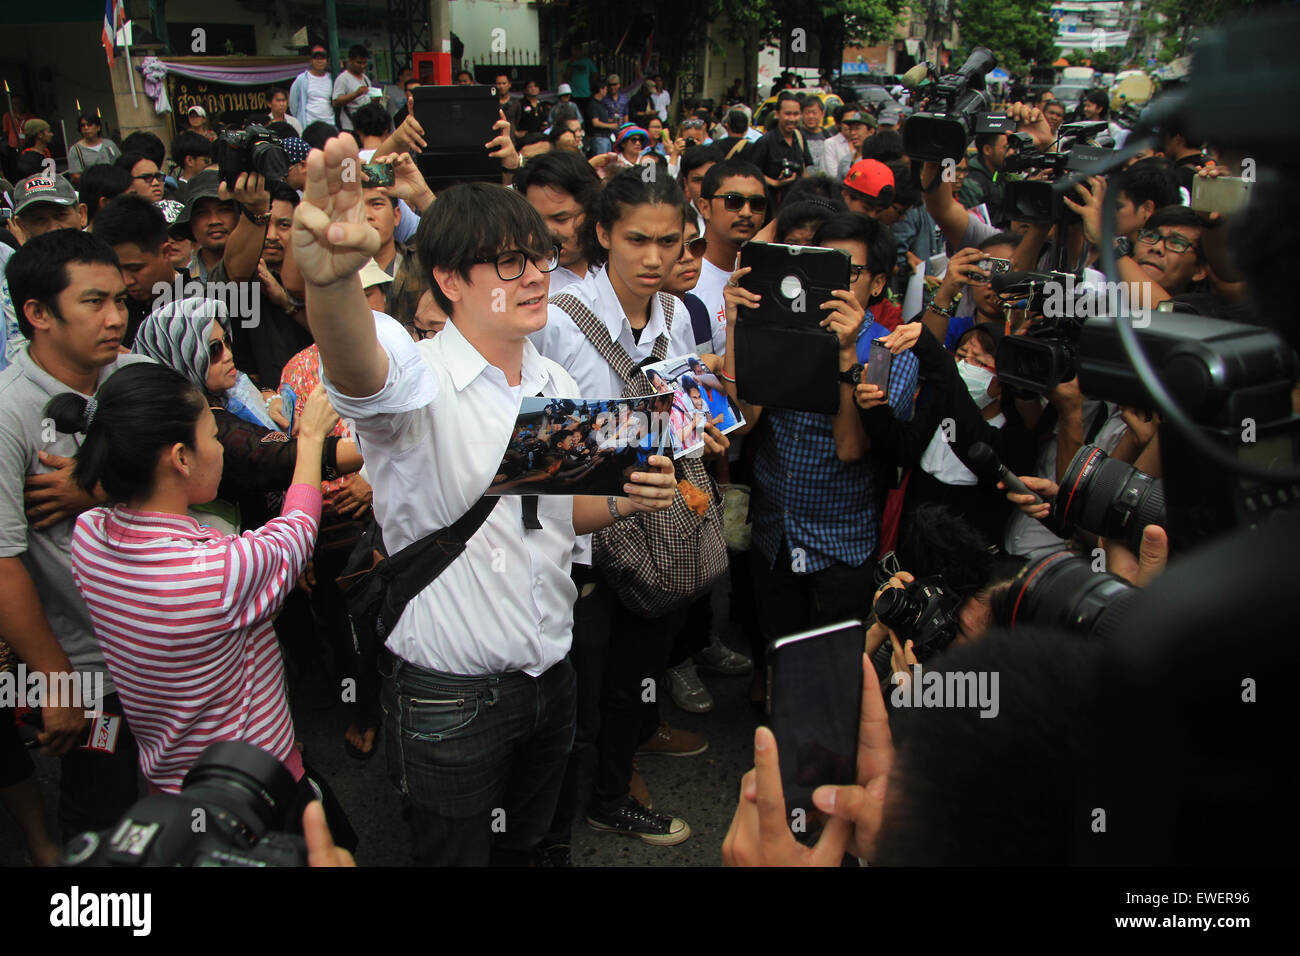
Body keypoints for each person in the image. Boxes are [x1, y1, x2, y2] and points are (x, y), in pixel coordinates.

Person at [294, 133, 678, 866]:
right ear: (449, 278)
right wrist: (333, 286)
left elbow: (557, 520)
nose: (535, 275)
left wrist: (629, 499)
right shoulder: (419, 378)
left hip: (551, 677)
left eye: (539, 256)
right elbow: (358, 367)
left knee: (537, 849)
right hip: (450, 701)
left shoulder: (555, 385)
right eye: (509, 261)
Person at [56, 361, 354, 848]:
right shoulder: (217, 574)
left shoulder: (90, 533)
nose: (220, 446)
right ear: (180, 457)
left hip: (169, 786)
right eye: (213, 434)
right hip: (255, 792)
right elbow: (295, 535)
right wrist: (312, 439)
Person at [534, 168, 721, 855]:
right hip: (581, 548)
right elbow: (535, 444)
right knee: (574, 703)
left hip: (662, 532)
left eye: (670, 242)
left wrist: (698, 425)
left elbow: (685, 406)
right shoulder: (557, 321)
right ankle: (545, 833)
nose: (654, 258)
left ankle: (613, 798)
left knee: (635, 686)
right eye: (637, 239)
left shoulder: (677, 315)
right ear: (604, 234)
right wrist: (638, 436)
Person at [721, 211, 919, 712]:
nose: (837, 283)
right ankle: (776, 744)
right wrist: (739, 329)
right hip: (774, 531)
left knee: (830, 672)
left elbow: (852, 449)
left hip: (840, 543)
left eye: (850, 272)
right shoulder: (785, 329)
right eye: (827, 266)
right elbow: (742, 420)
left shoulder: (889, 353)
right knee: (779, 649)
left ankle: (824, 768)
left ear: (876, 283)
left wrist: (846, 353)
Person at [0, 230, 149, 839]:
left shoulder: (137, 377)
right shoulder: (10, 413)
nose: (116, 318)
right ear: (38, 313)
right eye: (94, 302)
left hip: (169, 649)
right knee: (102, 814)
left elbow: (202, 473)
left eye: (121, 299)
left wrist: (100, 487)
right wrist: (56, 680)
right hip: (91, 668)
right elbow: (4, 562)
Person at [90, 195, 184, 348]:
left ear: (166, 252)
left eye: (135, 269)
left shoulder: (200, 304)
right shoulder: (106, 310)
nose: (127, 281)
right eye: (117, 270)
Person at [693, 159, 767, 329]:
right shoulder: (686, 277)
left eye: (756, 204)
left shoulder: (768, 273)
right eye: (733, 201)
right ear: (704, 207)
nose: (746, 212)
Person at [514, 150, 601, 292]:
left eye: (561, 219)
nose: (546, 233)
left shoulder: (619, 268)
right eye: (536, 221)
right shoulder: (523, 282)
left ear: (592, 212)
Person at [747, 92, 813, 211]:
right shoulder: (765, 142)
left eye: (796, 114)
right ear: (777, 114)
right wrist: (775, 183)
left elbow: (804, 171)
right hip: (772, 208)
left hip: (797, 206)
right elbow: (752, 173)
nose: (792, 119)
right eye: (787, 114)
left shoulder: (799, 137)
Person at [958, 129, 1008, 226]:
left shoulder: (999, 174)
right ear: (987, 150)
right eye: (1005, 148)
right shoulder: (972, 183)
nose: (1010, 152)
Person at [65, 113, 121, 186]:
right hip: (91, 189)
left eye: (89, 125)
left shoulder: (109, 145)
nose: (86, 128)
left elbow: (120, 164)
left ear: (98, 127)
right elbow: (75, 176)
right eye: (83, 126)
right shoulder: (75, 150)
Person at [291, 46, 337, 129]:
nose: (319, 61)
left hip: (330, 124)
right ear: (311, 61)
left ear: (327, 61)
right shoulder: (302, 79)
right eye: (316, 58)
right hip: (309, 125)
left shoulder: (332, 79)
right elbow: (293, 104)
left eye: (322, 58)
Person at [332, 45, 373, 132]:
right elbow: (336, 101)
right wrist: (356, 94)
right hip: (350, 126)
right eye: (358, 63)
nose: (362, 66)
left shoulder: (365, 78)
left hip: (366, 125)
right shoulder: (343, 78)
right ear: (350, 60)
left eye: (364, 63)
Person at [494, 72, 521, 139]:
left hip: (511, 138)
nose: (501, 86)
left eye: (504, 83)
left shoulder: (515, 102)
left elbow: (518, 119)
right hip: (495, 137)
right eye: (499, 84)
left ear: (509, 85)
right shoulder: (492, 102)